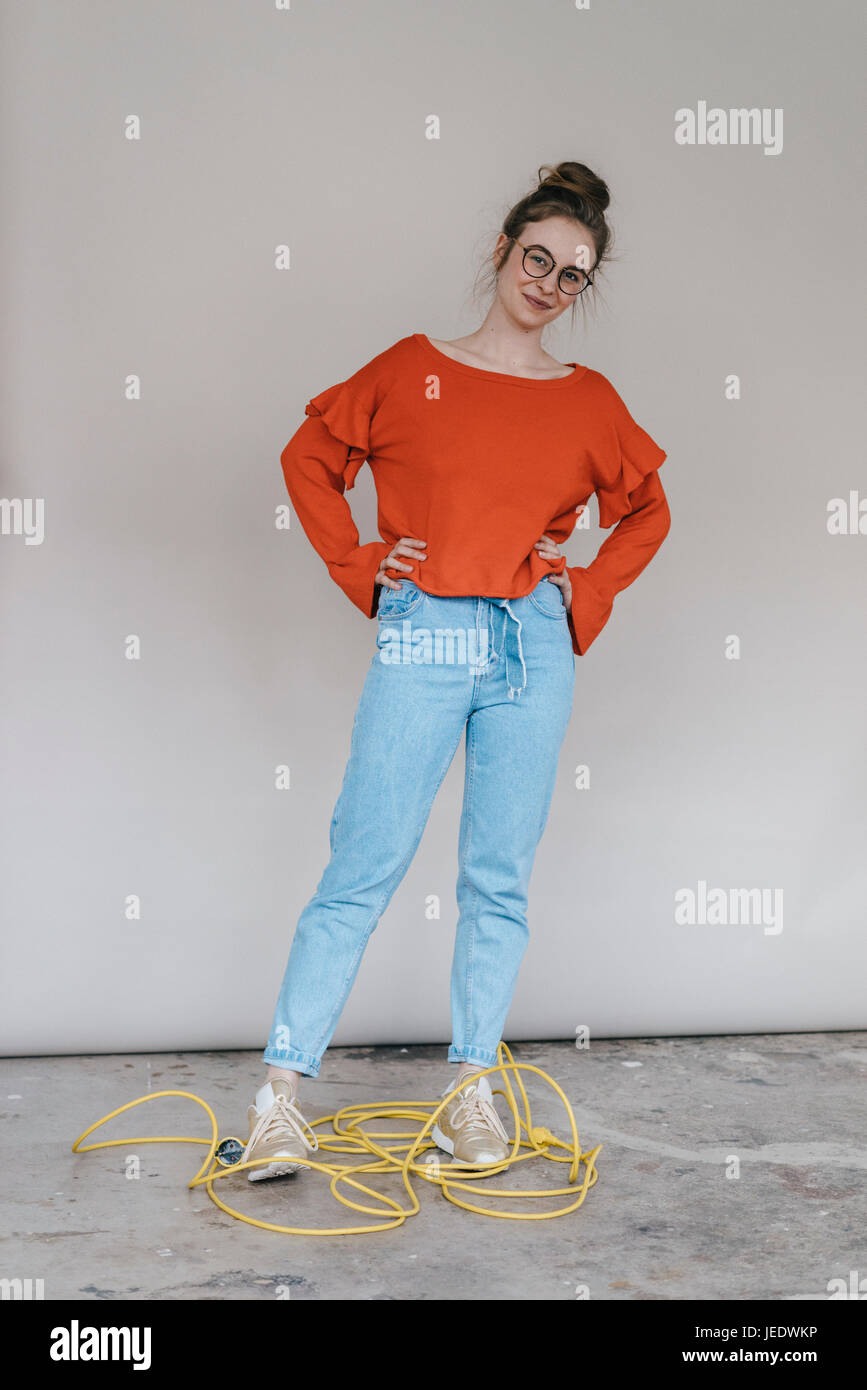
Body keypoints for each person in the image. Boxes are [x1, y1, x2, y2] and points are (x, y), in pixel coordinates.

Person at [244, 161, 671, 1180]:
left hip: (529, 641)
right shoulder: (409, 369)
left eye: (573, 276)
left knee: (498, 878)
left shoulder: (587, 400)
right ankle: (278, 1096)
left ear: (582, 290)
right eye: (539, 258)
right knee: (365, 859)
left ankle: (468, 1091)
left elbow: (647, 510)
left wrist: (586, 590)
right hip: (426, 629)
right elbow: (308, 459)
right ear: (502, 251)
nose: (549, 283)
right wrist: (359, 563)